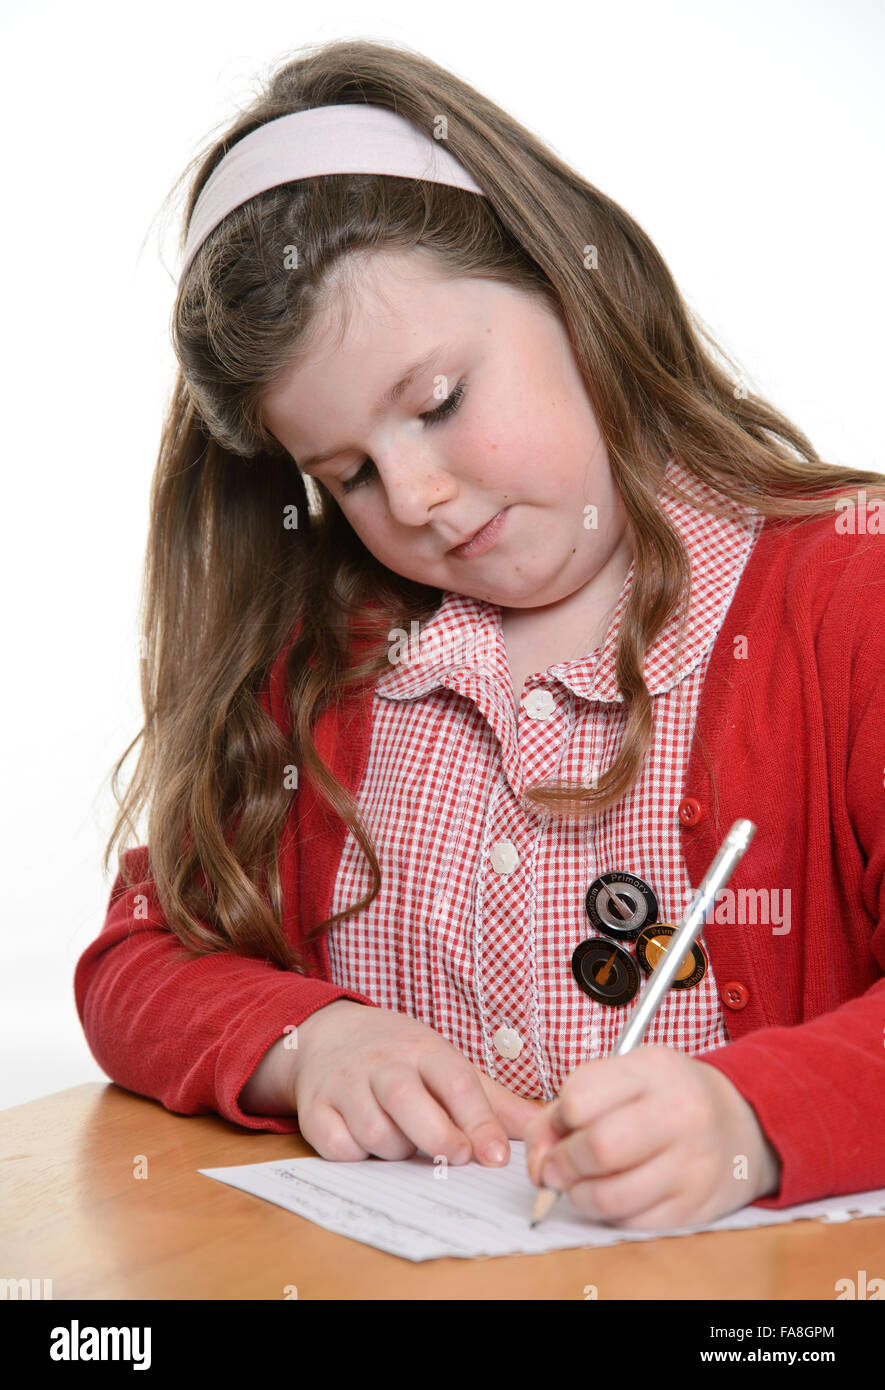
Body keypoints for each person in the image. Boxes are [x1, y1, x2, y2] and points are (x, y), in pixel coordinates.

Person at [75, 37, 885, 1231]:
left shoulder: (843, 599)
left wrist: (751, 1120)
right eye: (348, 471)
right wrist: (313, 1040)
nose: (413, 500)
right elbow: (138, 960)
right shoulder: (322, 668)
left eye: (440, 401)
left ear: (570, 286)